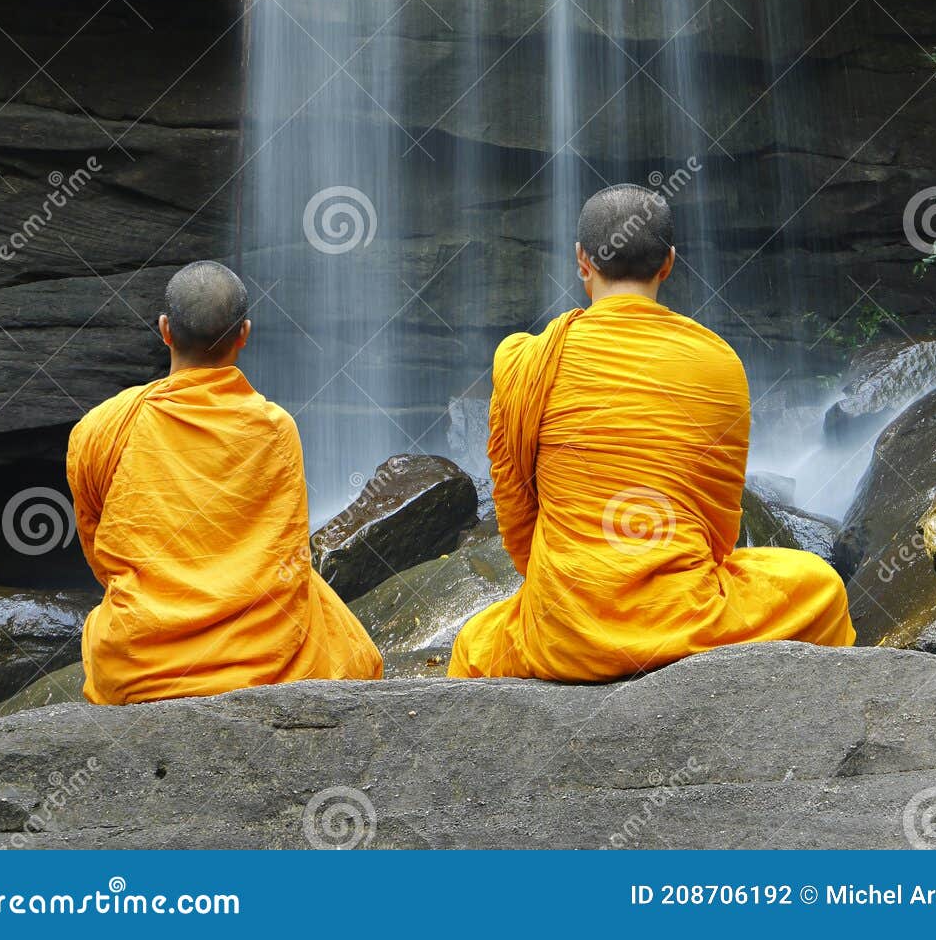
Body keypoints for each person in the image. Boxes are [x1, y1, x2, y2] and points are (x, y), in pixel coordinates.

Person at [449, 184, 855, 680]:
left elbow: (518, 524)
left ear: (581, 260)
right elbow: (718, 531)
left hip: (565, 634)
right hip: (686, 618)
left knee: (473, 644)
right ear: (668, 263)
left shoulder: (524, 362)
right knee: (819, 584)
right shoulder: (717, 362)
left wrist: (576, 580)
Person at [68, 260, 382, 703]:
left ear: (164, 330)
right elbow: (288, 551)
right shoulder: (276, 427)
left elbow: (95, 539)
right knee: (348, 644)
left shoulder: (106, 425)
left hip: (141, 658)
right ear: (245, 334)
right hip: (264, 656)